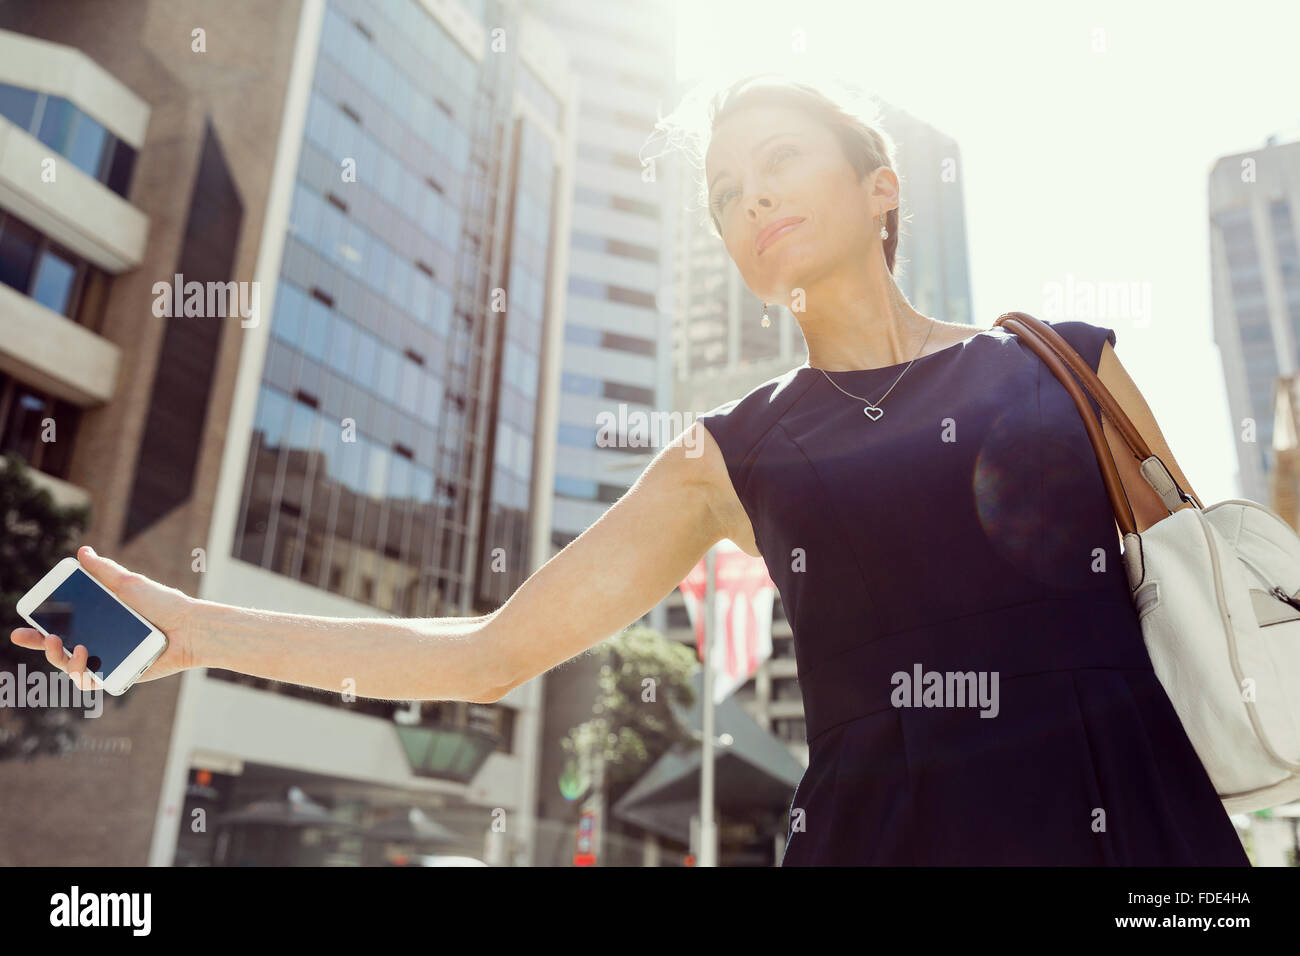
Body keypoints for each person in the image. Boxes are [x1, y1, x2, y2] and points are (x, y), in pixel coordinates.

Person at [11, 72, 1248, 866]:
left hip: (1140, 827)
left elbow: (1217, 610)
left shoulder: (1064, 362)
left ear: (880, 189)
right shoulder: (728, 451)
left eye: (778, 162)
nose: (750, 195)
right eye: (724, 192)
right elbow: (486, 653)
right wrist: (189, 630)